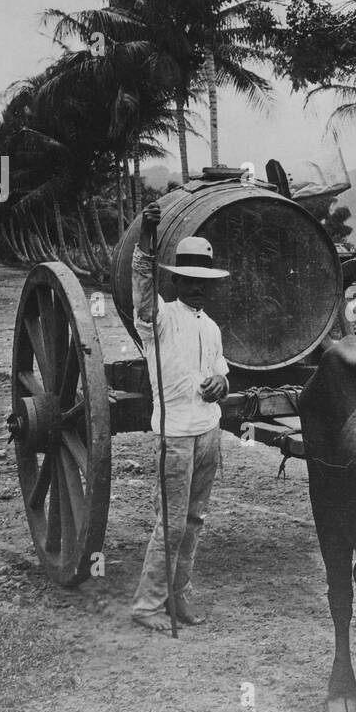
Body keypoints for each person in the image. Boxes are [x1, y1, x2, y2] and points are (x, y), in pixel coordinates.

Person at [129, 201, 230, 632]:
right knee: (170, 523)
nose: (197, 288)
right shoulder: (160, 319)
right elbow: (141, 288)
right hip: (175, 435)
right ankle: (148, 605)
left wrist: (220, 385)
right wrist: (147, 241)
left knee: (194, 520)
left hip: (208, 432)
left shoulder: (211, 326)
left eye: (204, 281)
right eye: (189, 280)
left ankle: (178, 596)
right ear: (176, 280)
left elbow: (221, 370)